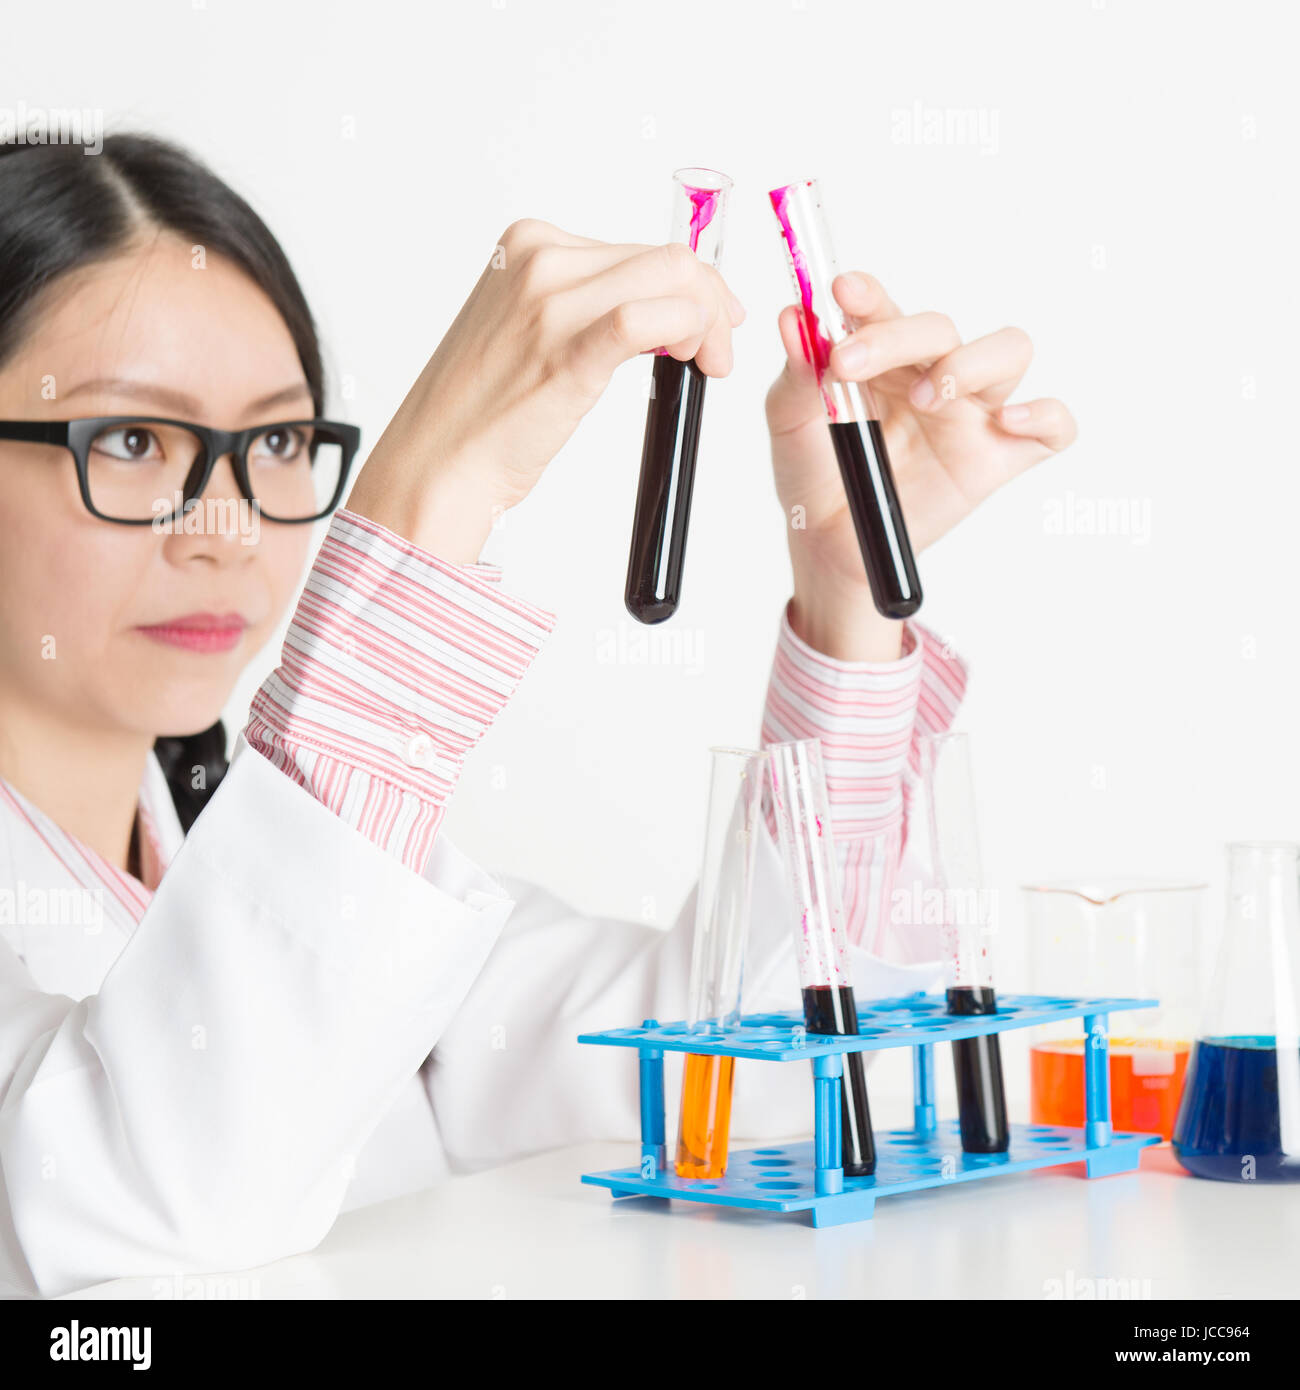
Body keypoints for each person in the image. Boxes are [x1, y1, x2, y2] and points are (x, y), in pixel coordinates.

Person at [0, 134, 1076, 1296]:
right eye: (130, 440)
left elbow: (747, 1057)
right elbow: (148, 1214)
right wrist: (423, 505)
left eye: (270, 441)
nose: (222, 528)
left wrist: (847, 583)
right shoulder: (297, 877)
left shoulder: (285, 857)